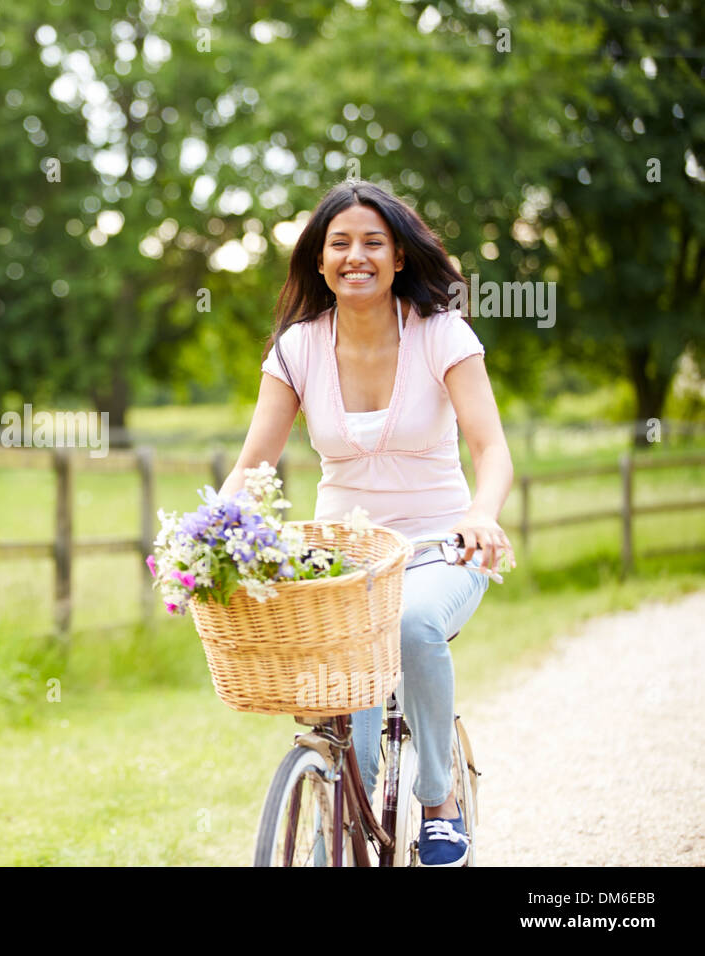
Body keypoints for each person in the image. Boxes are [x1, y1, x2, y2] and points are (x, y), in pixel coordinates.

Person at [220, 181, 516, 867]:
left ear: (400, 258)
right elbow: (253, 462)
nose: (357, 256)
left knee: (410, 623)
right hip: (344, 558)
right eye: (340, 243)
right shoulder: (298, 349)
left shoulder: (443, 334)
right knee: (344, 721)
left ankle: (438, 802)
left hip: (442, 547)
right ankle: (336, 816)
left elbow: (491, 449)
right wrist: (206, 534)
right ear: (320, 263)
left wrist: (481, 514)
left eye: (373, 243)